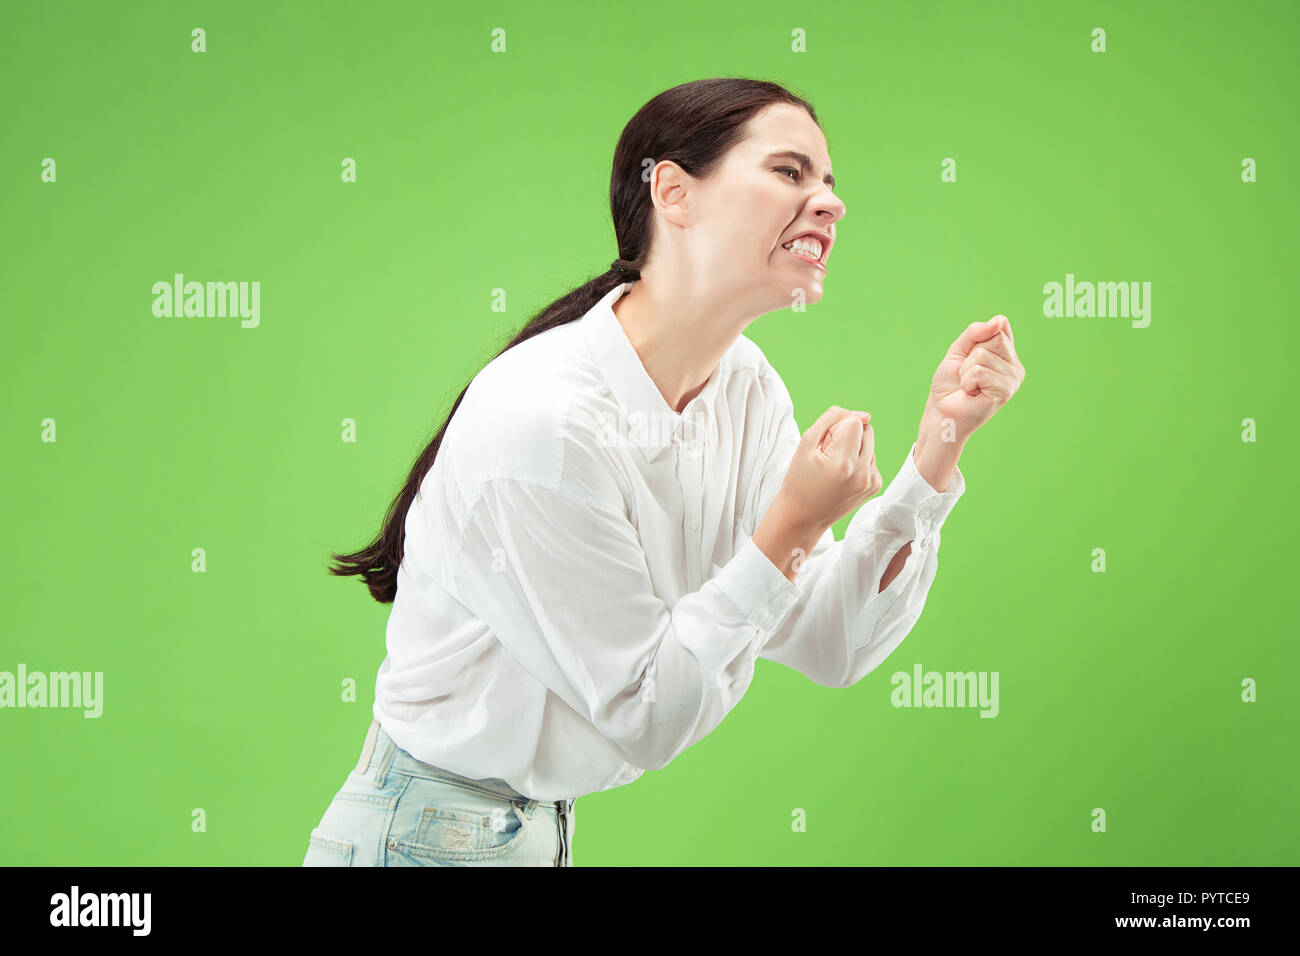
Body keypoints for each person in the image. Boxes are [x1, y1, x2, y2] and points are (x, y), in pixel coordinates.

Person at [303, 77, 1026, 867]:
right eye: (790, 173)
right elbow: (646, 712)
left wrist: (937, 451)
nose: (829, 203)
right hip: (423, 839)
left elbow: (832, 642)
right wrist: (794, 521)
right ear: (674, 193)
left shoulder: (744, 387)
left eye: (829, 182)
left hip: (528, 833)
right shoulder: (543, 421)